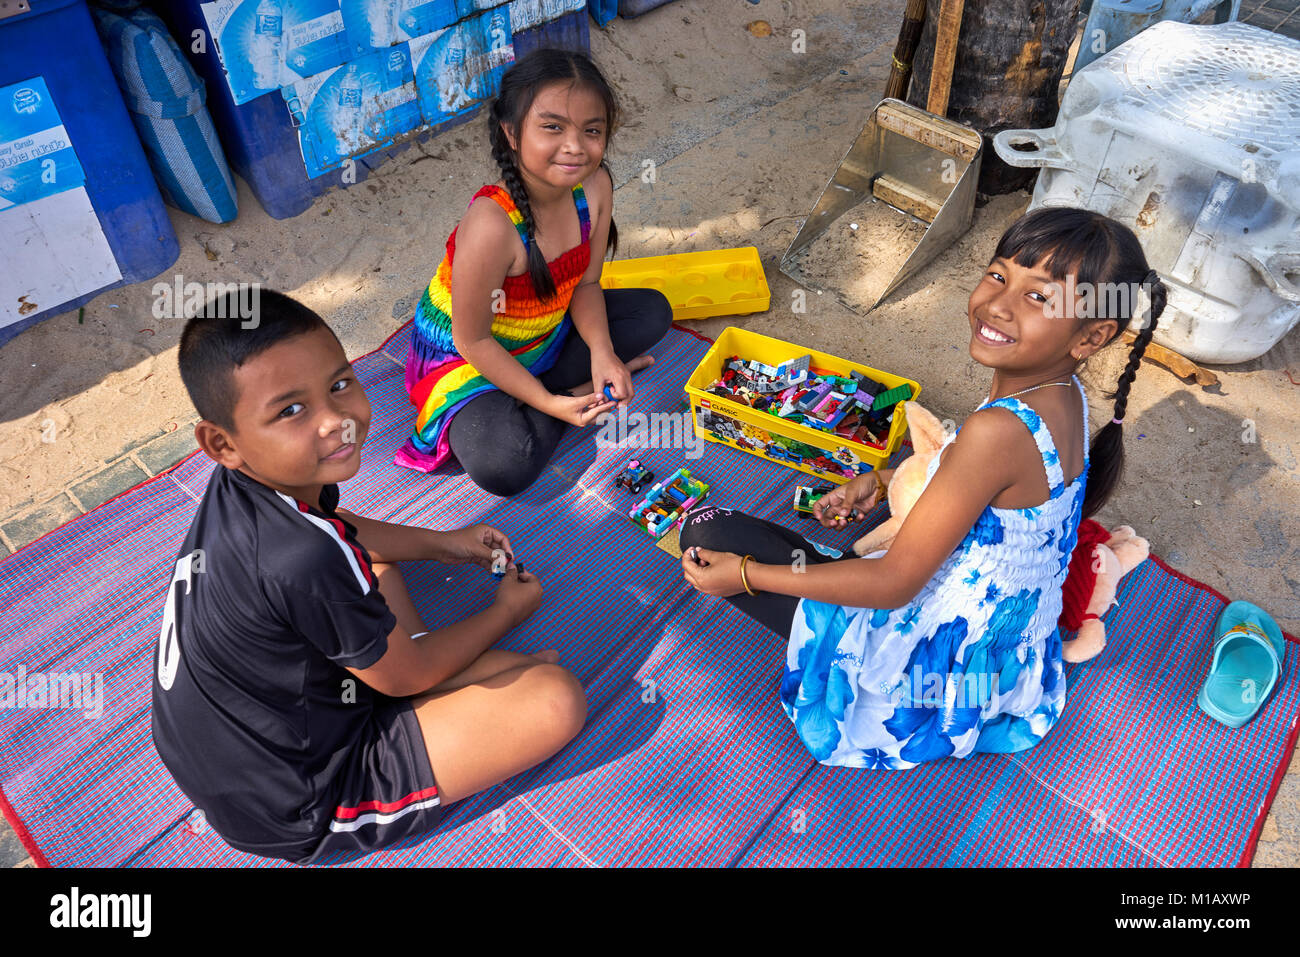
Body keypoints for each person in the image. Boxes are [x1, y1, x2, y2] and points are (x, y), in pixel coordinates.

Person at [679, 207, 1165, 769]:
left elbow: (892, 584)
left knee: (707, 529)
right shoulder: (1067, 398)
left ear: (1093, 335)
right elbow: (989, 486)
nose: (998, 305)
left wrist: (743, 576)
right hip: (1005, 659)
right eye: (999, 275)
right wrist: (883, 480)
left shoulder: (998, 431)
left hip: (930, 666)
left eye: (1039, 298)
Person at [152, 289, 586, 864]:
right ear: (222, 443)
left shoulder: (259, 483)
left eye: (338, 385)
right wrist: (506, 612)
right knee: (554, 697)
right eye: (290, 410)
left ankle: (423, 675)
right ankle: (432, 684)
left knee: (385, 574)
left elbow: (337, 527)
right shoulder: (299, 559)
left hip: (251, 735)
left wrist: (444, 544)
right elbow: (406, 677)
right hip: (304, 798)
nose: (337, 421)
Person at [397, 48, 672, 495]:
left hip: (543, 331)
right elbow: (473, 340)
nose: (575, 147)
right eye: (552, 127)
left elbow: (586, 283)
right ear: (511, 132)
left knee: (653, 312)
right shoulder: (492, 223)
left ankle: (550, 393)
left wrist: (602, 351)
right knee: (504, 466)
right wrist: (550, 403)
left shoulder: (596, 185)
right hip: (468, 358)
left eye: (592, 130)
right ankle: (561, 398)